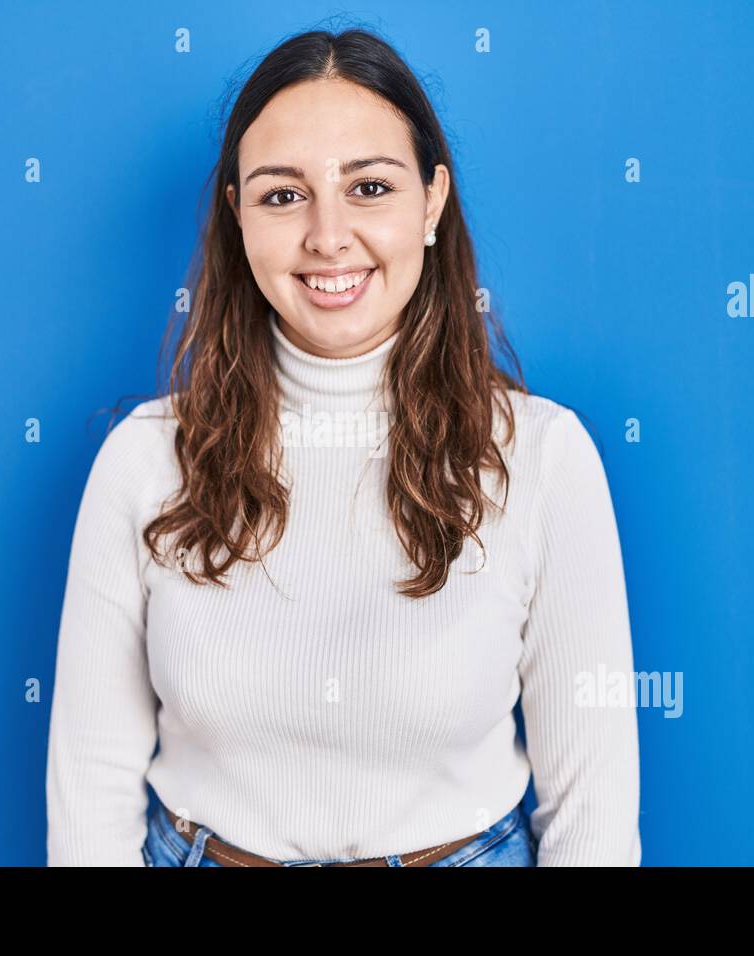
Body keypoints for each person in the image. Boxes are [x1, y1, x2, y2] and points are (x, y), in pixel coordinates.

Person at [46, 26, 641, 867]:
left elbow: (594, 807)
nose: (328, 236)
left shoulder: (545, 459)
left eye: (368, 187)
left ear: (431, 204)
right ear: (237, 214)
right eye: (283, 196)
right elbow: (90, 788)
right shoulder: (143, 464)